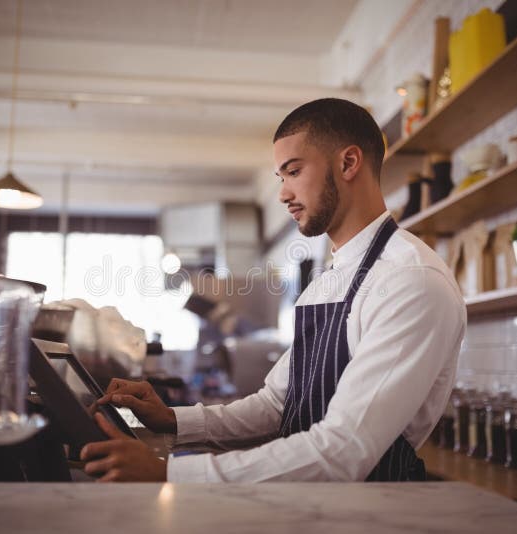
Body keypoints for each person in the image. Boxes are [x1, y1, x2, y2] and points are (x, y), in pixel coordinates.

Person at [80, 98, 467, 482]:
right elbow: (277, 405)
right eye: (281, 178)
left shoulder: (411, 280)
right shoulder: (330, 280)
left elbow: (345, 449)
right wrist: (172, 419)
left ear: (349, 163)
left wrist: (171, 474)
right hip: (306, 508)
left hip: (368, 516)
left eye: (293, 172)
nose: (283, 194)